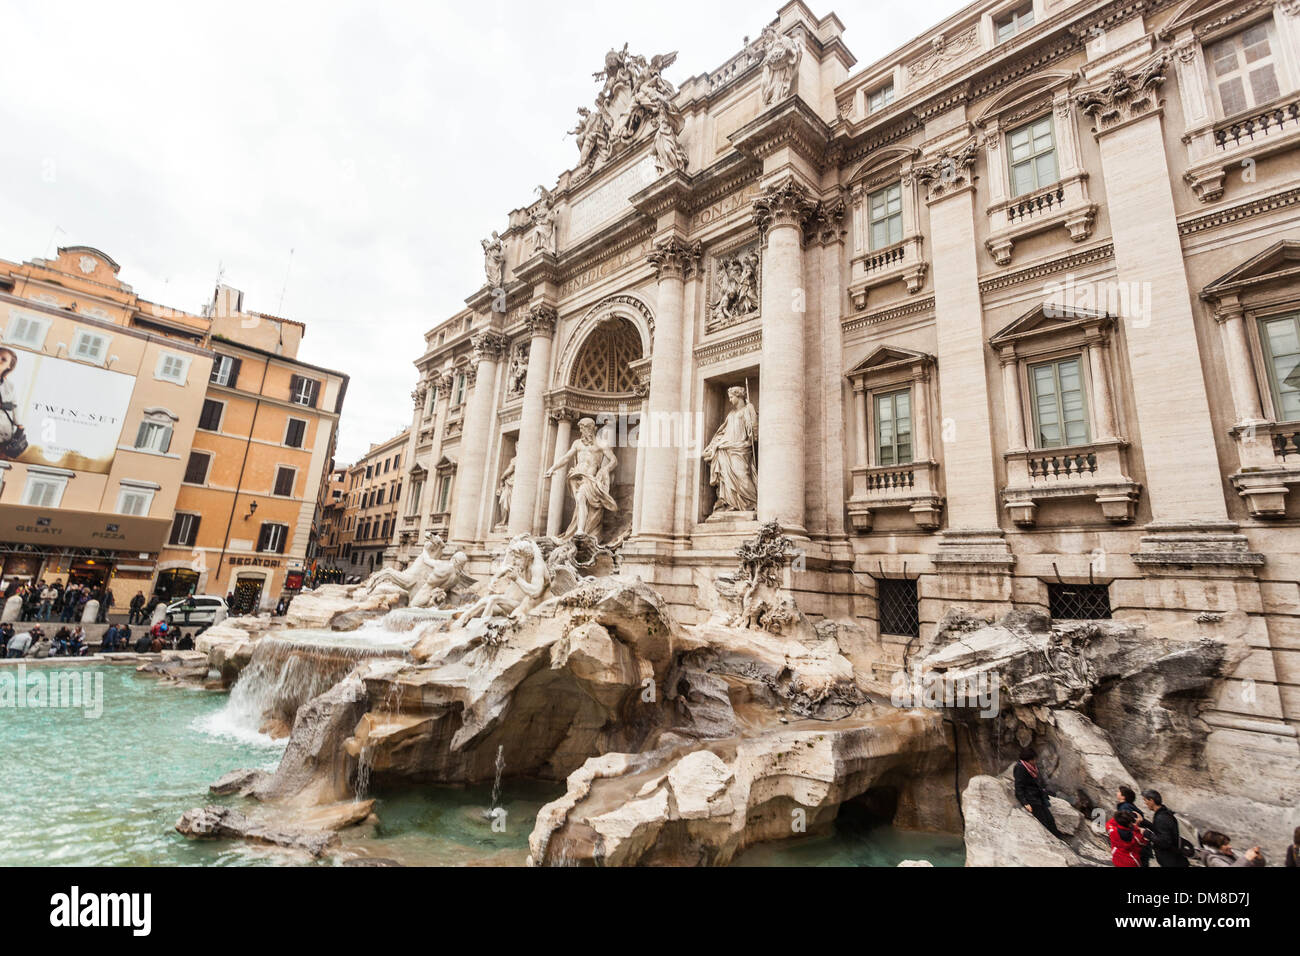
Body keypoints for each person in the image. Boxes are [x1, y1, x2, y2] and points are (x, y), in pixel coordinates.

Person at [1013, 746, 1064, 840]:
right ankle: (1053, 840)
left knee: (1050, 819)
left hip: (1037, 796)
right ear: (1028, 759)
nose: (1035, 760)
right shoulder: (1020, 768)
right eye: (1033, 759)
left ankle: (1059, 840)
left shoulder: (1031, 767)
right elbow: (1018, 787)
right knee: (1043, 821)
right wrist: (1025, 803)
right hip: (1031, 799)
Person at [1137, 790, 1190, 868]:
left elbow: (1164, 842)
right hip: (1176, 859)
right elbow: (1160, 831)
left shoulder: (1161, 818)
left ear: (1151, 800)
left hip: (1171, 861)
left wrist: (1146, 833)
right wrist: (1144, 822)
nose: (1145, 803)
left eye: (1145, 800)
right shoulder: (1164, 813)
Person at [1196, 830, 1265, 867]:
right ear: (1214, 848)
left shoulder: (1230, 854)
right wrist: (1246, 859)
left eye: (1228, 843)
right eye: (1224, 844)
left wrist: (1257, 858)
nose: (1230, 846)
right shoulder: (1214, 860)